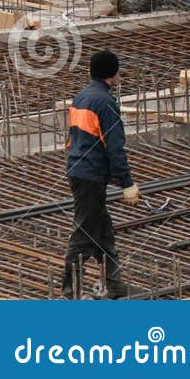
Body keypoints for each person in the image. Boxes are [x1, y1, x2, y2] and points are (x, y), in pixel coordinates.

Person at [61, 51, 141, 298]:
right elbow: (114, 147)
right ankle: (69, 291)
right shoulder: (105, 103)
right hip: (90, 176)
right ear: (113, 74)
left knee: (103, 231)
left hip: (79, 170)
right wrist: (126, 183)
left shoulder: (82, 96)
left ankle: (113, 284)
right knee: (85, 233)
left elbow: (74, 139)